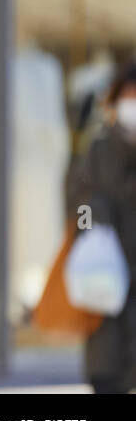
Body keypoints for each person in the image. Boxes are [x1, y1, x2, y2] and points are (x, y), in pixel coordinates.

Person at [64, 58, 136, 393]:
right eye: (130, 95)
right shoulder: (100, 145)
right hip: (106, 286)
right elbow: (78, 203)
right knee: (108, 374)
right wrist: (96, 218)